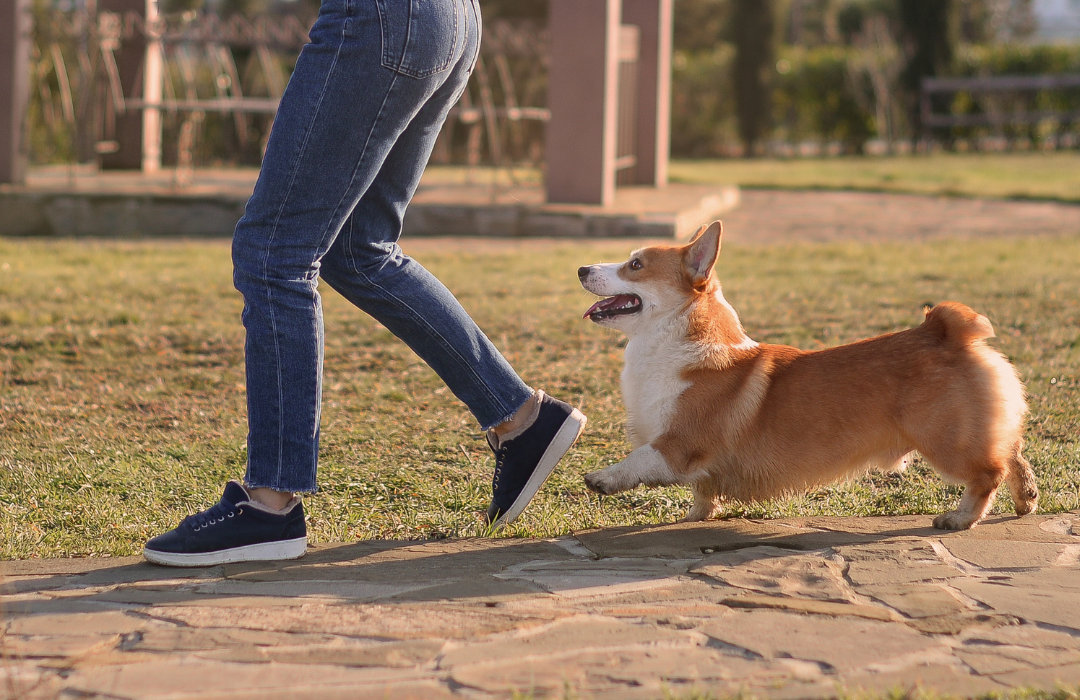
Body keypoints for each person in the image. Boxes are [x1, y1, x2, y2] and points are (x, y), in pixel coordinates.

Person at [142, 0, 586, 567]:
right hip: (449, 20)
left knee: (275, 251)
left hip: (383, 18)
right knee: (360, 250)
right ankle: (521, 417)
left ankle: (269, 505)